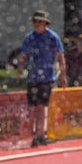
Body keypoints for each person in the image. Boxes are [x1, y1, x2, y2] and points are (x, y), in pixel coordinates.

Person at [17, 9, 66, 146]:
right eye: (35, 22)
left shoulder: (52, 37)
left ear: (45, 23)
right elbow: (24, 55)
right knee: (32, 108)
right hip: (33, 78)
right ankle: (31, 135)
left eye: (40, 22)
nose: (37, 24)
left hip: (46, 77)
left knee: (41, 106)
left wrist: (63, 75)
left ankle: (39, 134)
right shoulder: (29, 37)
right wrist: (21, 67)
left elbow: (60, 56)